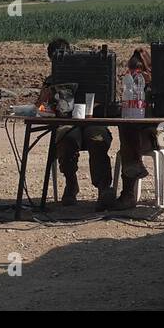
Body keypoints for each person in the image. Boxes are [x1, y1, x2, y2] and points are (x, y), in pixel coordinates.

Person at [36, 39, 116, 210]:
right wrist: (47, 97)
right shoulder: (51, 80)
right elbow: (40, 108)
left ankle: (103, 189)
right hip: (66, 122)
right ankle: (71, 184)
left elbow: (108, 100)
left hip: (92, 120)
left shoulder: (92, 72)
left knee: (97, 139)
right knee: (67, 140)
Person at [113, 48, 156, 210]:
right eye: (132, 71)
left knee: (129, 135)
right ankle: (135, 167)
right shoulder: (129, 87)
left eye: (139, 71)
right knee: (128, 129)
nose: (135, 75)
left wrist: (150, 86)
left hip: (157, 135)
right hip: (136, 136)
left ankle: (128, 194)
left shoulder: (158, 86)